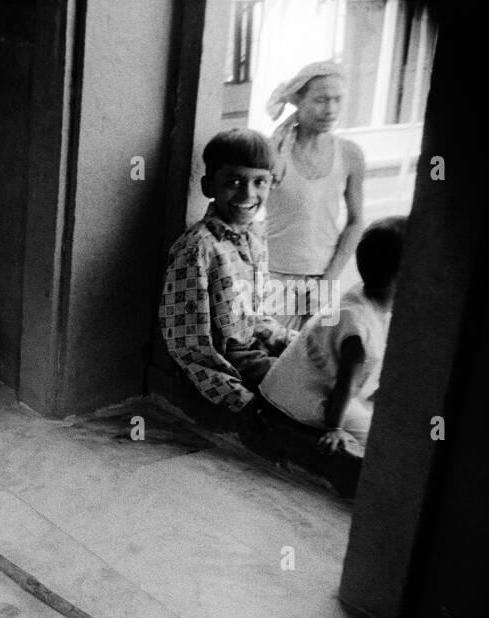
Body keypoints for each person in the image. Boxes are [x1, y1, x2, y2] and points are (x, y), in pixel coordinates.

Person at [159, 128, 296, 414]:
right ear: (209, 186)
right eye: (233, 181)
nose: (248, 193)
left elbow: (256, 315)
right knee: (304, 390)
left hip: (254, 348)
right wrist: (239, 400)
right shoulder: (198, 248)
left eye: (260, 182)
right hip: (229, 362)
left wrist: (292, 343)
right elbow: (188, 343)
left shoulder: (254, 238)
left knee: (322, 362)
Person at [258, 216, 406, 456]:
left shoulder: (361, 293)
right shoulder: (358, 328)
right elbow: (344, 385)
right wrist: (334, 428)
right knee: (380, 440)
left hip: (286, 385)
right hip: (305, 401)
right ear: (402, 278)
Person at [263, 61, 366, 330]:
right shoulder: (273, 151)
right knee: (270, 358)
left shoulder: (350, 154)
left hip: (324, 278)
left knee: (314, 362)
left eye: (337, 100)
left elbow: (356, 222)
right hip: (274, 277)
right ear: (298, 100)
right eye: (321, 99)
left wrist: (328, 281)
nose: (331, 109)